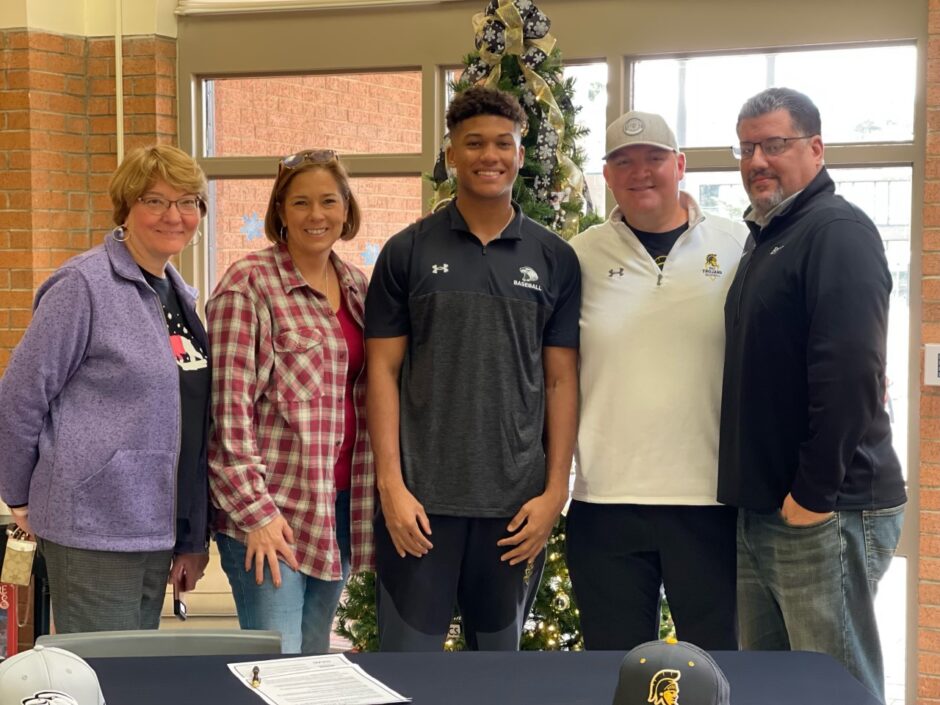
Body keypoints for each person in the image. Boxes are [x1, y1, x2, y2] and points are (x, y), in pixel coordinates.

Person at [365, 86, 580, 651]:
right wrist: (391, 486)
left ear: (521, 153)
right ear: (452, 154)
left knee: (498, 680)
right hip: (420, 507)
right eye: (475, 143)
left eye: (503, 143)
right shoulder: (406, 251)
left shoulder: (555, 258)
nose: (490, 155)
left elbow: (560, 380)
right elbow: (381, 372)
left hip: (515, 511)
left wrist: (554, 492)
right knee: (408, 674)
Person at [718, 87, 907, 701]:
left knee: (833, 689)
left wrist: (813, 495)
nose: (757, 161)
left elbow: (851, 373)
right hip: (769, 508)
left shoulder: (837, 231)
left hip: (826, 509)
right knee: (774, 689)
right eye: (746, 148)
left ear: (816, 148)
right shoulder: (769, 236)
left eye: (774, 144)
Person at [0, 144, 211, 632]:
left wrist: (190, 533)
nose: (173, 215)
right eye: (155, 200)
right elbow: (19, 398)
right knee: (103, 667)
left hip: (154, 525)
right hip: (93, 524)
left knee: (133, 667)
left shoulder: (176, 294)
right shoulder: (83, 285)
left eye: (187, 202)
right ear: (125, 207)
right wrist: (19, 497)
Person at [567, 111, 747, 651]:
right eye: (624, 162)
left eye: (654, 158)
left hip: (712, 502)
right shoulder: (579, 256)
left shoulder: (737, 243)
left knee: (717, 669)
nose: (640, 172)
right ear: (607, 175)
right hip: (605, 500)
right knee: (614, 669)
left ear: (680, 165)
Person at [207, 149, 373, 654]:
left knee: (315, 657)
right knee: (278, 662)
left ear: (346, 208)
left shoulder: (357, 287)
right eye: (300, 202)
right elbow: (227, 415)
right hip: (273, 511)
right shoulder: (248, 284)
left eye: (328, 201)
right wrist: (256, 514)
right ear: (280, 210)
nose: (315, 215)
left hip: (338, 507)